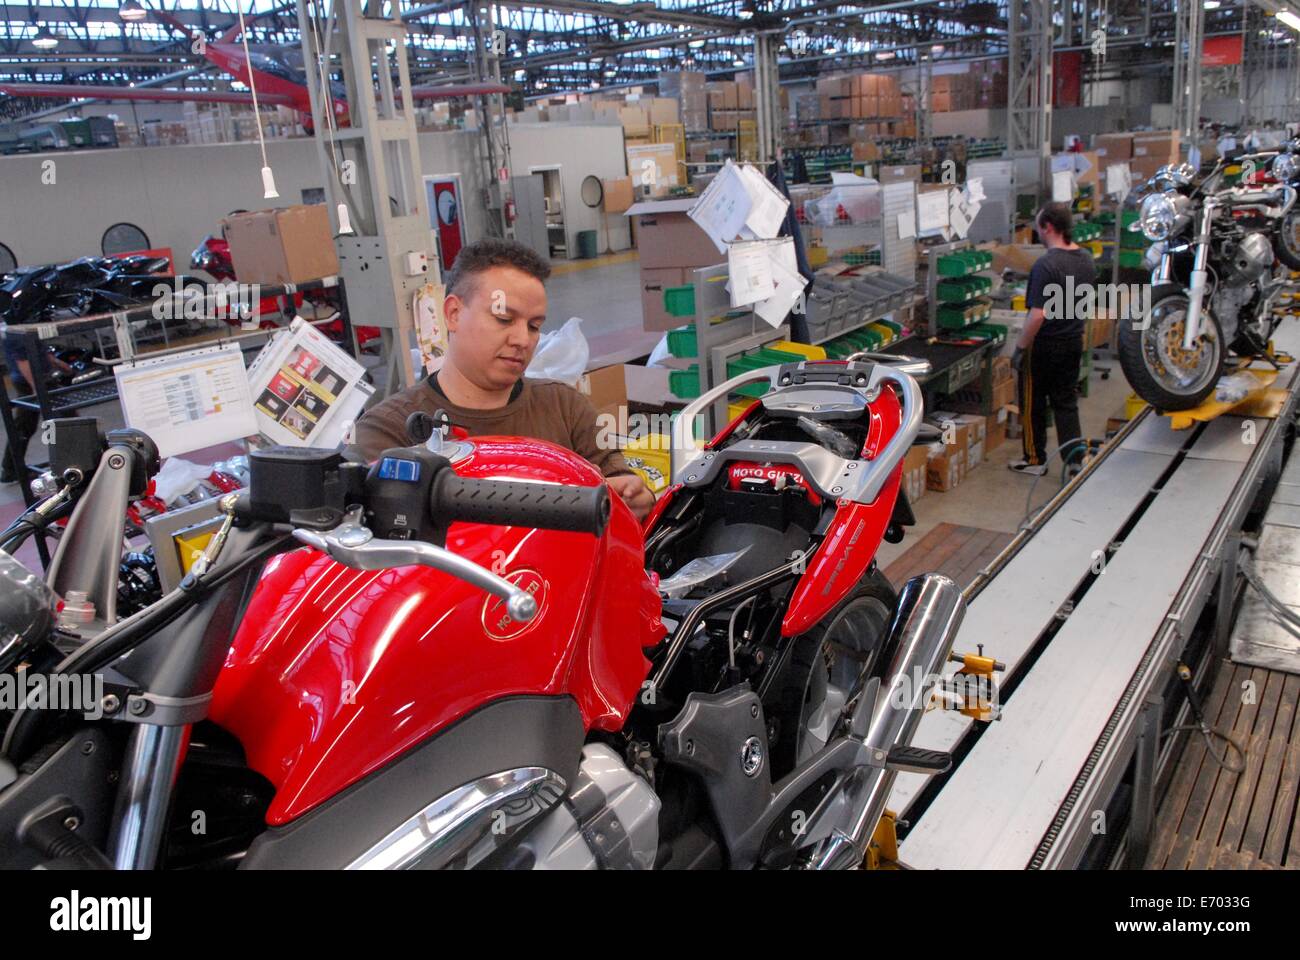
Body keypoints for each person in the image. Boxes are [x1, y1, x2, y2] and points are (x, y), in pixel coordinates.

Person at [351, 238, 655, 520]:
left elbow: (620, 480)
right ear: (454, 313)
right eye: (504, 319)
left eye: (534, 326)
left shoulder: (566, 408)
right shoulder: (387, 432)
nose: (523, 339)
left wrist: (632, 495)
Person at [1008, 202, 1096, 476]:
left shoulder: (1046, 265)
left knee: (1033, 403)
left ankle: (1034, 460)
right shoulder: (1085, 259)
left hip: (1044, 346)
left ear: (1047, 227)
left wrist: (1020, 348)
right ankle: (1073, 460)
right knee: (1065, 402)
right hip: (1072, 340)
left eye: (1038, 225)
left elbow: (1037, 315)